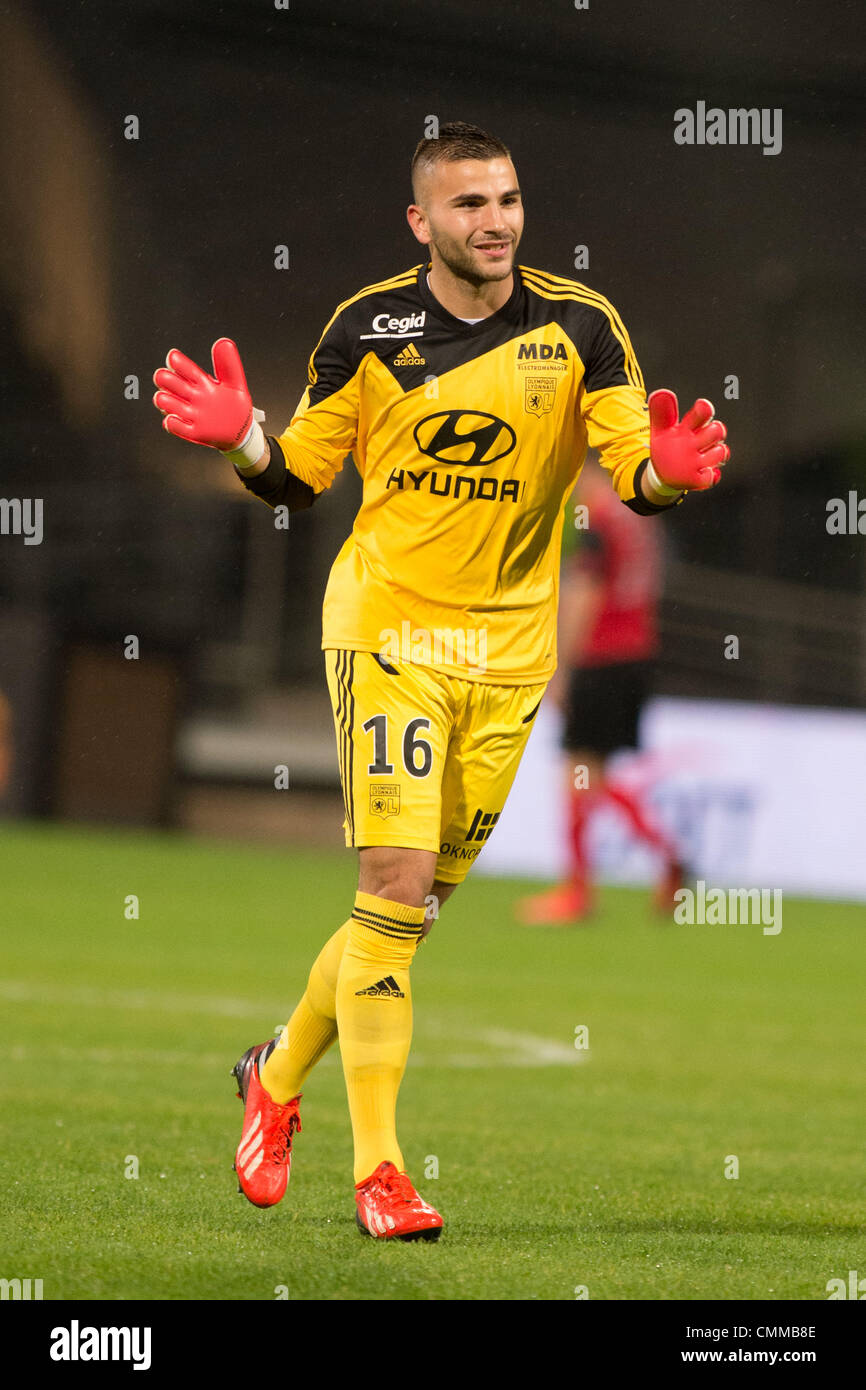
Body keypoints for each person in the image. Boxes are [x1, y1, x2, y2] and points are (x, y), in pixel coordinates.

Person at [152, 122, 729, 1241]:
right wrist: (244, 445)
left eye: (507, 198)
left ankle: (272, 1071)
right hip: (387, 632)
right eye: (468, 204)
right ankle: (379, 1172)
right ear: (420, 222)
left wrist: (668, 473)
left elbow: (630, 467)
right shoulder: (367, 330)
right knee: (394, 879)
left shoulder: (580, 327)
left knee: (404, 919)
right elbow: (299, 481)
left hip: (508, 656)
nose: (496, 220)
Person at [518, 458, 684, 926]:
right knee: (595, 774)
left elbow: (585, 592)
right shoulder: (639, 518)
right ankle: (666, 858)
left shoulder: (594, 519)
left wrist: (561, 668)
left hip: (600, 657)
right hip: (638, 654)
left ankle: (579, 892)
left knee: (577, 774)